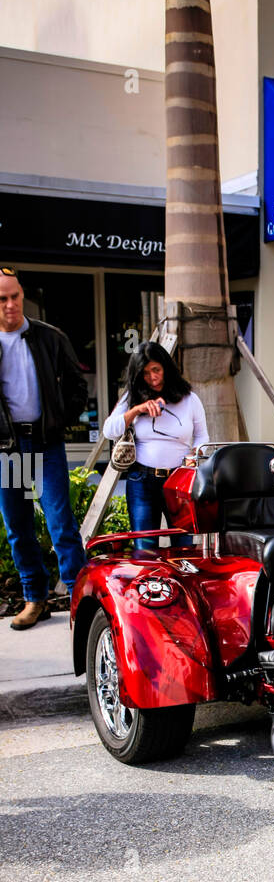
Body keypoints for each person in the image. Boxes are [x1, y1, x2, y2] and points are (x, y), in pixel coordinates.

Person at [0, 265, 88, 630]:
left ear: (24, 295)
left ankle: (81, 600)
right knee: (19, 525)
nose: (10, 305)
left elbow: (76, 385)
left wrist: (58, 418)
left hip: (45, 442)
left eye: (15, 296)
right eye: (2, 299)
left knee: (59, 522)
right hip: (9, 447)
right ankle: (34, 598)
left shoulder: (49, 337)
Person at [104, 342, 209, 550]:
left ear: (166, 368)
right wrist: (136, 410)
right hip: (142, 480)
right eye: (145, 373)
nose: (152, 377)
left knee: (184, 548)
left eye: (156, 370)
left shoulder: (189, 399)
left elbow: (202, 436)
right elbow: (109, 430)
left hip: (179, 481)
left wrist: (193, 457)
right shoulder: (132, 397)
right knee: (145, 549)